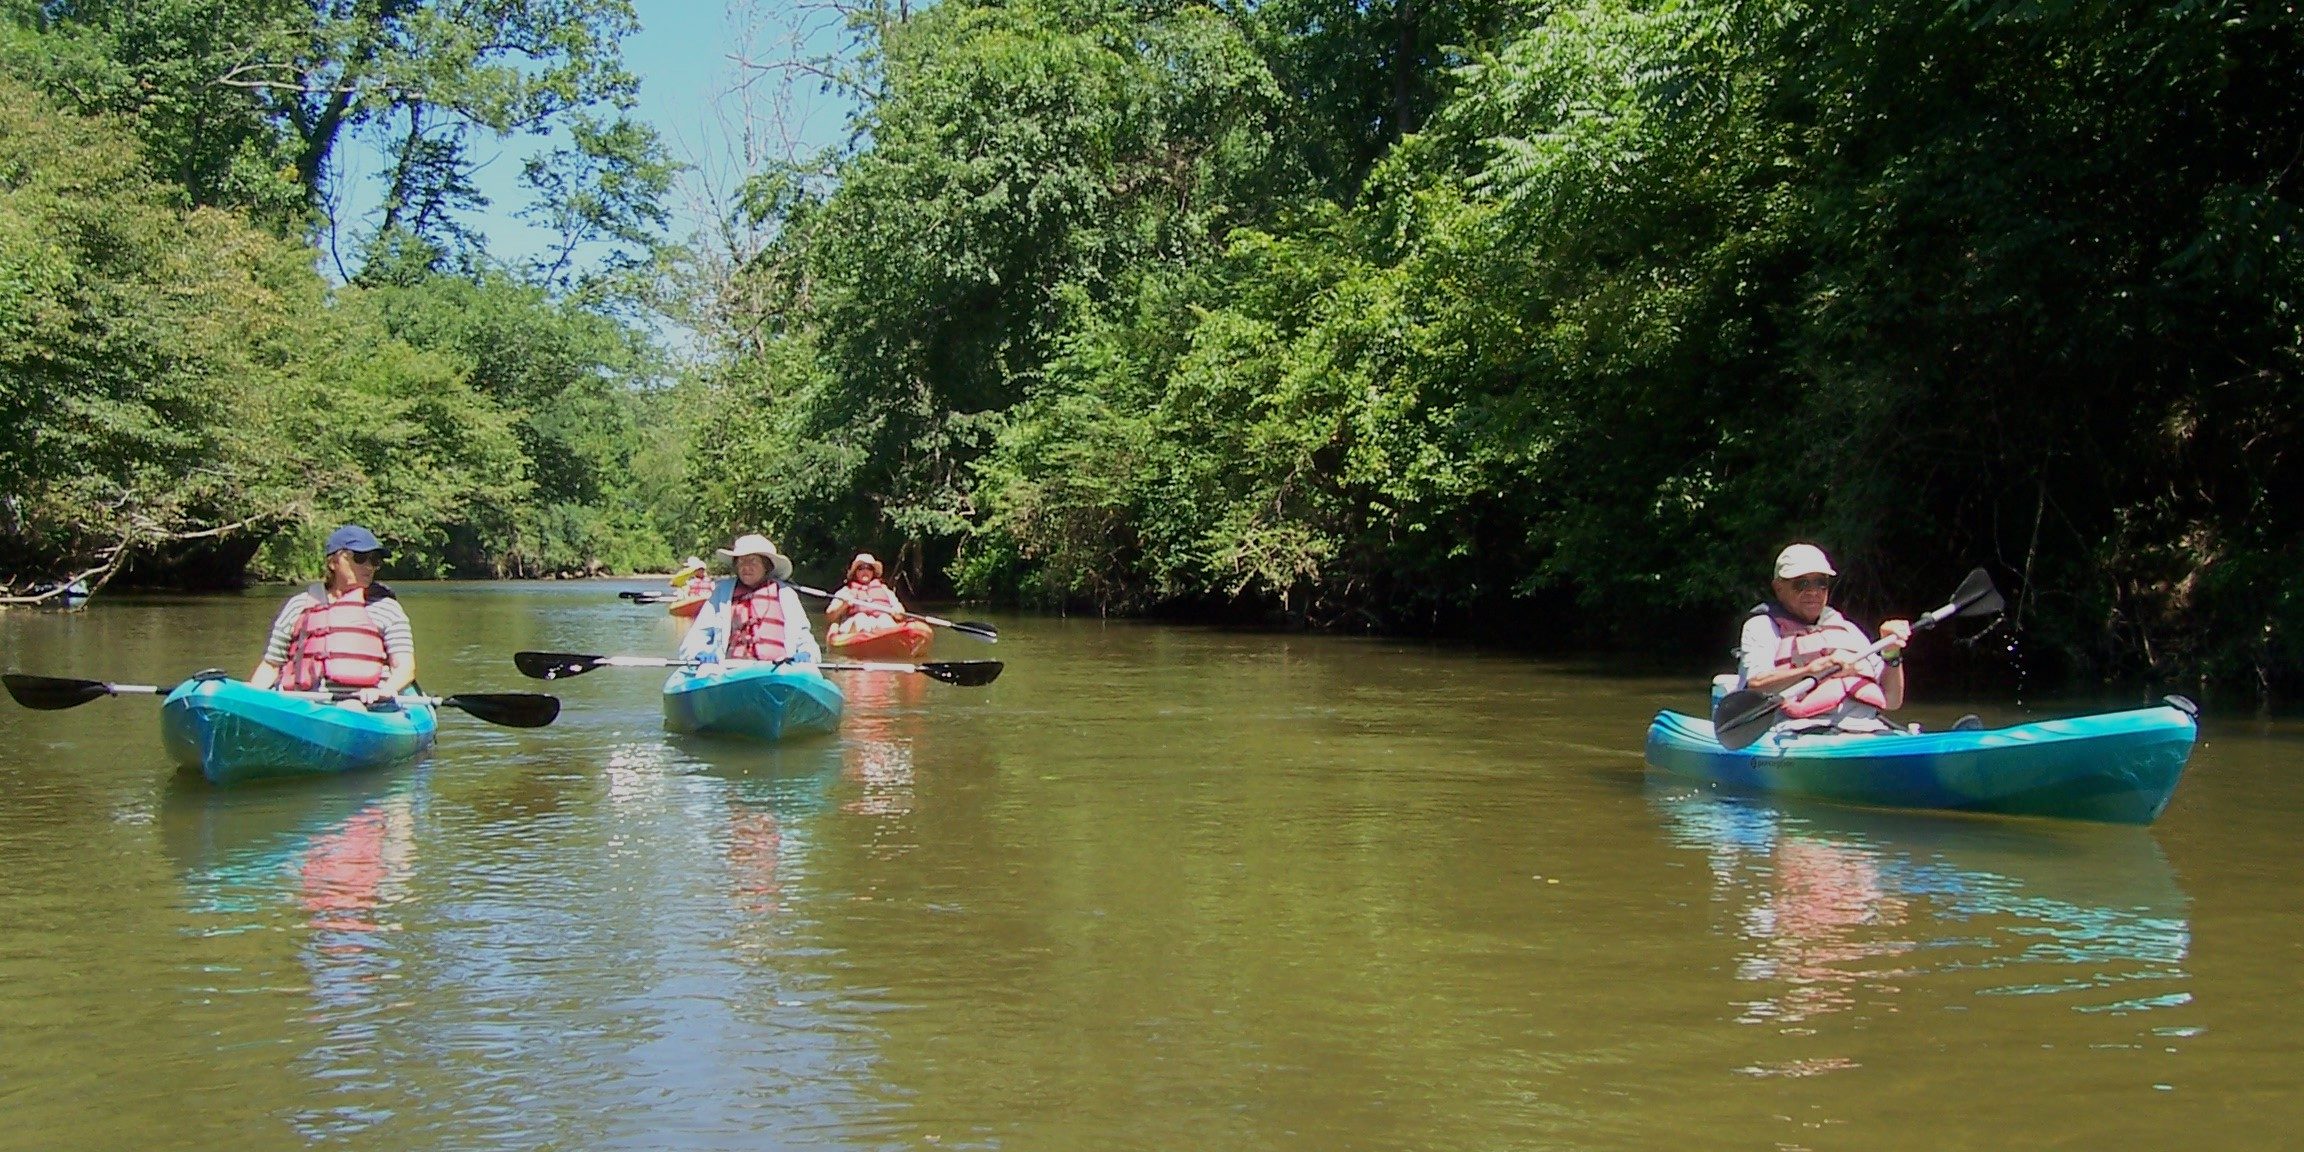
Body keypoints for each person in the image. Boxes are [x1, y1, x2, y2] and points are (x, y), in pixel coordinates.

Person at [1736, 544, 1911, 735]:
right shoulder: (1762, 626)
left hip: (1866, 727)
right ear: (1778, 587)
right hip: (1801, 729)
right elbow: (1756, 684)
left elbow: (1893, 700)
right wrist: (1814, 669)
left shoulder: (1847, 629)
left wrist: (1892, 652)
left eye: (1821, 583)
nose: (1813, 591)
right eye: (1801, 584)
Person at [250, 525, 416, 704]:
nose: (369, 567)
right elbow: (271, 665)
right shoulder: (299, 605)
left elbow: (405, 667)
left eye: (375, 560)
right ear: (333, 562)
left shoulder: (386, 608)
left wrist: (385, 691)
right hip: (300, 705)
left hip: (365, 705)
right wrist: (245, 700)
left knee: (352, 707)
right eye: (360, 558)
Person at [676, 534, 823, 666]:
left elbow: (804, 638)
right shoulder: (721, 593)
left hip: (779, 671)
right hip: (730, 671)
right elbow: (695, 638)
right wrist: (699, 653)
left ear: (767, 565)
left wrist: (807, 653)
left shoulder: (785, 594)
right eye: (741, 561)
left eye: (752, 561)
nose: (746, 567)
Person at [824, 553, 907, 635]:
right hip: (854, 626)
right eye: (861, 568)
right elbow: (830, 616)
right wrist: (843, 605)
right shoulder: (846, 591)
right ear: (855, 572)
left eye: (869, 568)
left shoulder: (884, 589)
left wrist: (898, 613)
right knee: (861, 618)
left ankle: (888, 641)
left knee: (885, 619)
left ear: (873, 572)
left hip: (881, 625)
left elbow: (900, 612)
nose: (865, 571)